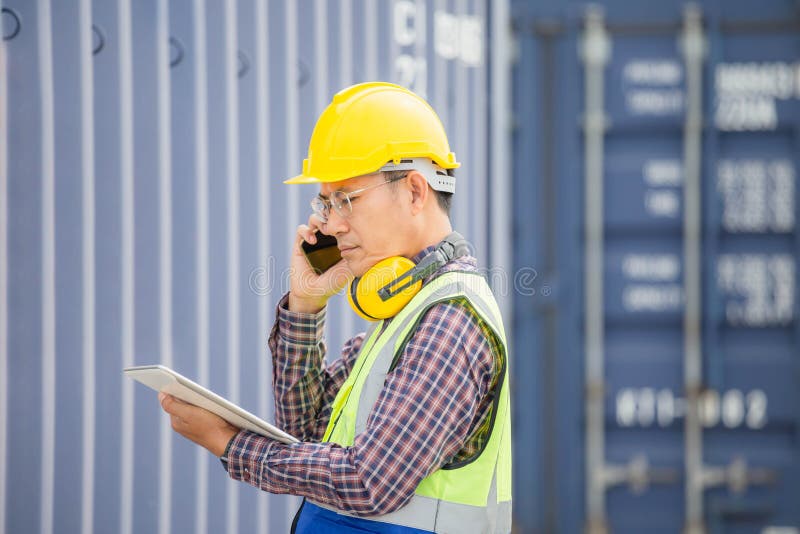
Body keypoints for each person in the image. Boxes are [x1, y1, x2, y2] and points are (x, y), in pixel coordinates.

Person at [159, 82, 512, 533]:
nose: (332, 224)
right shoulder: (401, 315)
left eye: (347, 199)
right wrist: (306, 306)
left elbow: (370, 481)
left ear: (415, 192)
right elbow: (305, 431)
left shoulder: (449, 321)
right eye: (326, 202)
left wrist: (232, 445)